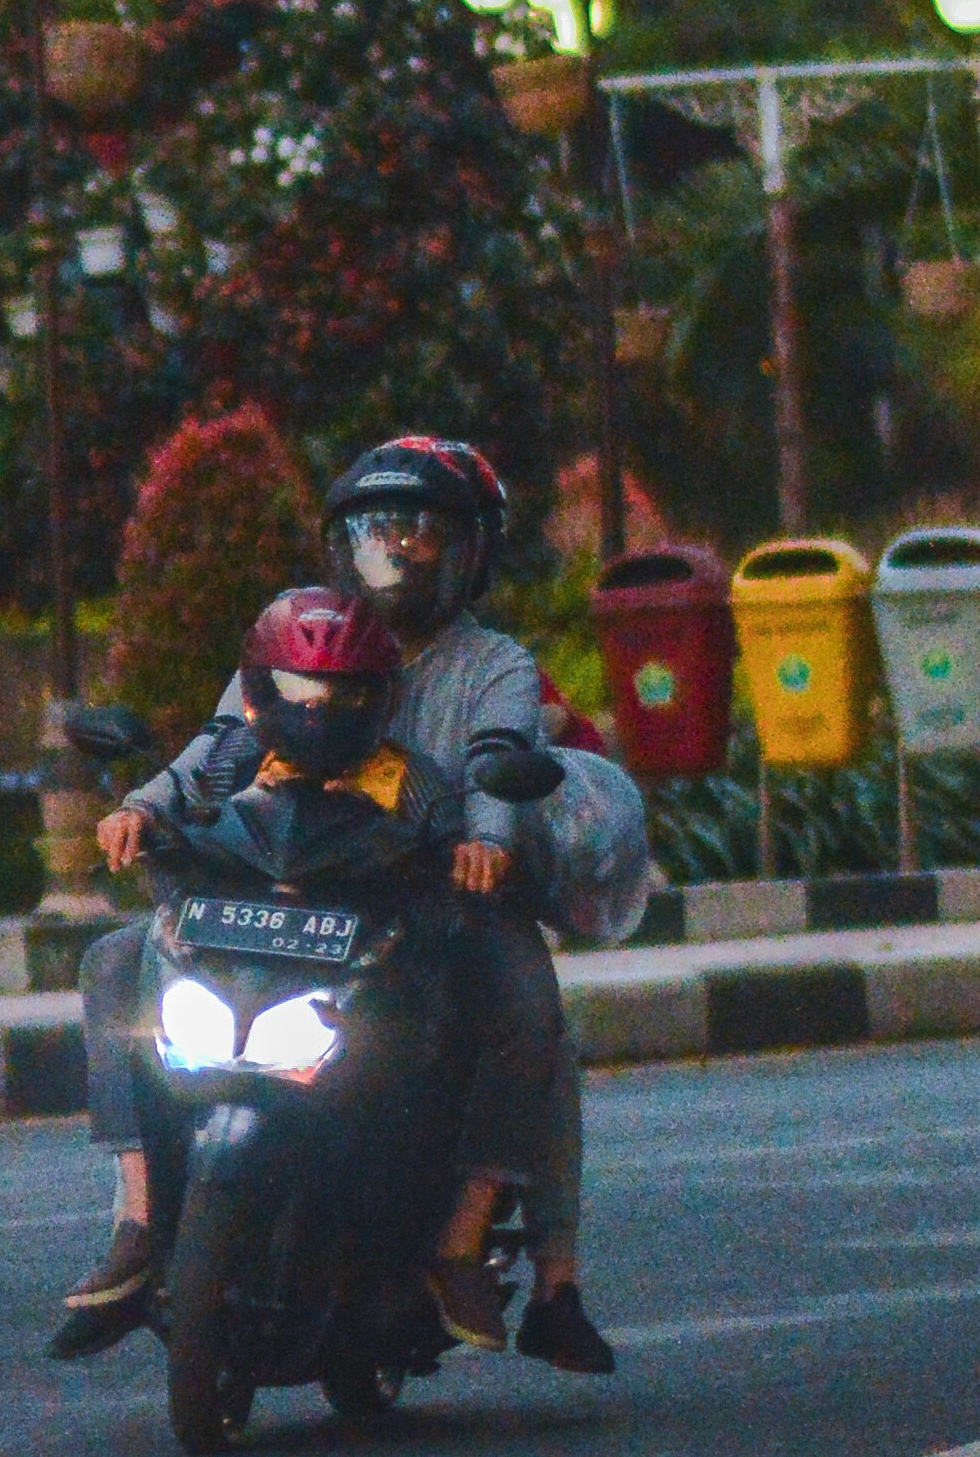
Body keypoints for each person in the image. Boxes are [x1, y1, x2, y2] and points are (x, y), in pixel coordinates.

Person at [58, 434, 619, 1370]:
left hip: (430, 902)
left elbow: (492, 760)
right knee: (115, 962)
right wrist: (143, 810)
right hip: (281, 896)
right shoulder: (295, 633)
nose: (397, 556)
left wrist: (485, 839)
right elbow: (216, 748)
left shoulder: (496, 665)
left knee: (526, 1005)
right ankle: (138, 1216)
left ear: (472, 551)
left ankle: (464, 1240)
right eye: (377, 536)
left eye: (424, 537)